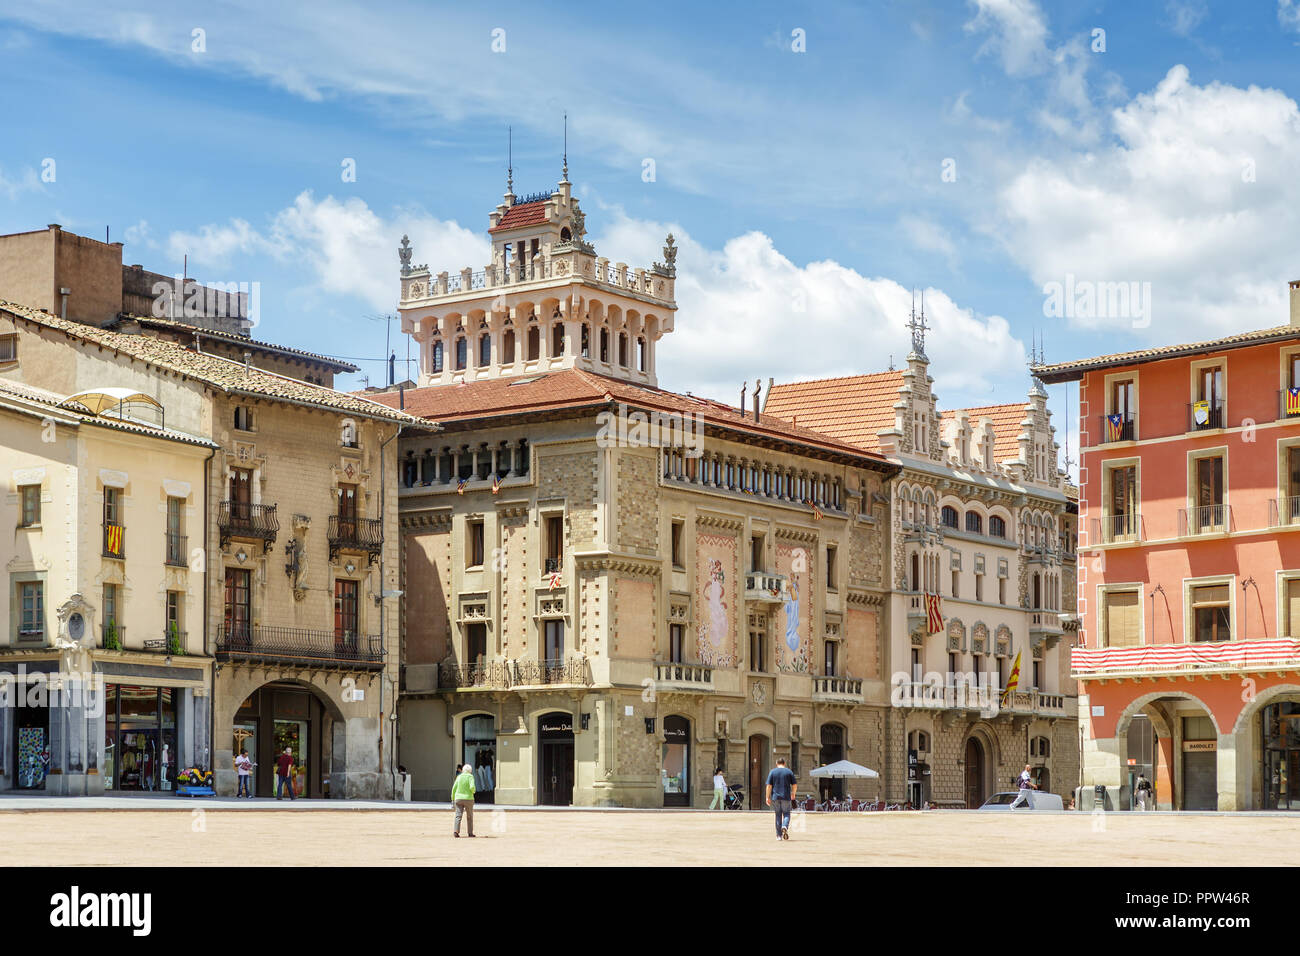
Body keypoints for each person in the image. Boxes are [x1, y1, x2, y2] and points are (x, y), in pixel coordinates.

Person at [765, 757, 798, 840]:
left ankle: (778, 836)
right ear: (784, 763)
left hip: (775, 797)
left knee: (778, 815)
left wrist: (767, 797)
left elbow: (769, 786)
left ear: (777, 764)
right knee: (786, 813)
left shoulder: (772, 772)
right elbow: (794, 785)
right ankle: (784, 826)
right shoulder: (789, 772)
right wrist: (793, 794)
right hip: (786, 797)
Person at [452, 763, 476, 837]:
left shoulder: (459, 777)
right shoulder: (470, 776)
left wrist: (453, 799)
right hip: (468, 798)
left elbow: (454, 788)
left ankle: (456, 831)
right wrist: (473, 791)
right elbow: (472, 787)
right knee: (469, 816)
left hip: (458, 798)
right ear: (470, 771)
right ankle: (470, 832)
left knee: (458, 815)